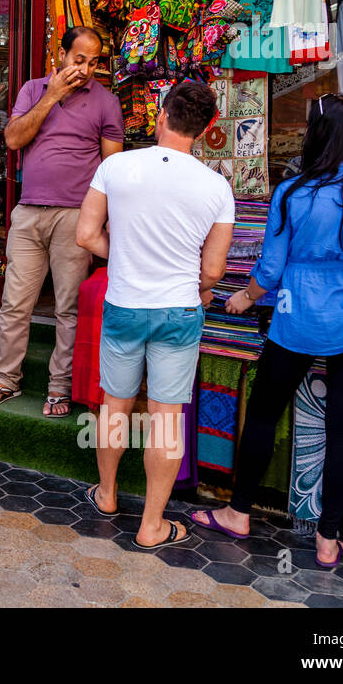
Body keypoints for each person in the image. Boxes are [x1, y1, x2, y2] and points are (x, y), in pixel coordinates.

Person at [191, 93, 343, 568]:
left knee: (263, 415)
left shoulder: (293, 192)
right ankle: (328, 539)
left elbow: (270, 268)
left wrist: (242, 297)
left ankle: (238, 512)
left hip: (298, 316)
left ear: (317, 137)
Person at [76, 80, 234, 550]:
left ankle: (107, 494)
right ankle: (151, 525)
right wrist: (193, 284)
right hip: (179, 310)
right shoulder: (216, 186)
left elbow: (86, 235)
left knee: (115, 406)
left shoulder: (116, 166)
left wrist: (123, 254)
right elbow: (213, 270)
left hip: (124, 304)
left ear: (161, 116)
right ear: (204, 131)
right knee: (166, 419)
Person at [0, 27, 124, 417]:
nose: (86, 70)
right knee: (14, 304)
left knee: (68, 308)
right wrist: (53, 95)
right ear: (60, 55)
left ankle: (58, 389)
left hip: (76, 216)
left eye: (94, 63)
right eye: (79, 60)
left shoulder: (107, 102)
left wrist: (104, 221)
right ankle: (6, 381)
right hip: (28, 213)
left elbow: (112, 171)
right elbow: (13, 139)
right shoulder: (32, 89)